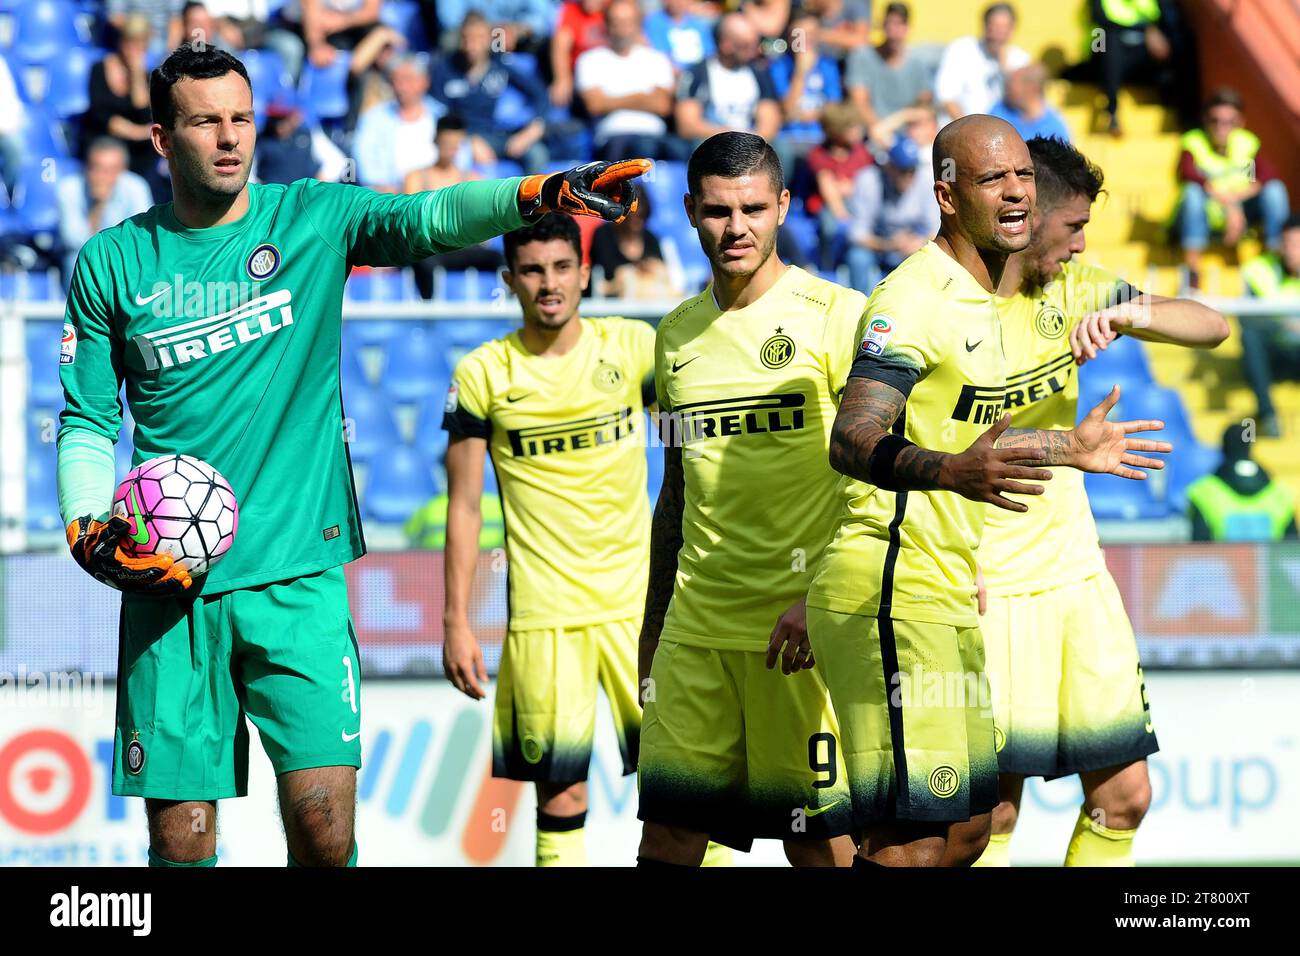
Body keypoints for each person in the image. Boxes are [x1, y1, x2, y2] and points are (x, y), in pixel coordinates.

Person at [56, 41, 648, 868]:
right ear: (161, 139)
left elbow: (427, 218)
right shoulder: (113, 261)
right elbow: (84, 418)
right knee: (181, 843)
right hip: (170, 591)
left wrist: (534, 193)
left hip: (298, 579)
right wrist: (86, 522)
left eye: (241, 118)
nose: (230, 138)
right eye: (204, 122)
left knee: (326, 833)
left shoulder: (311, 217)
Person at [804, 115, 1172, 867]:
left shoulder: (998, 301)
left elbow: (977, 439)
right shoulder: (911, 299)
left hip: (948, 591)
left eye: (1022, 178)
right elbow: (852, 439)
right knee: (906, 844)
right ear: (946, 194)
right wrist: (952, 474)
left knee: (969, 832)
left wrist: (1068, 447)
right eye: (991, 179)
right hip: (892, 589)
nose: (1014, 193)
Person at [968, 135, 1227, 868]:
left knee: (1125, 798)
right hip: (991, 587)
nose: (1083, 244)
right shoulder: (942, 307)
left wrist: (1128, 316)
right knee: (992, 812)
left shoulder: (1077, 287)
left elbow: (1213, 326)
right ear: (1024, 216)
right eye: (1074, 227)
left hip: (1078, 579)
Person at [637, 132, 864, 867]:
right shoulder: (674, 335)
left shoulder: (839, 316)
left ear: (784, 207)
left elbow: (884, 475)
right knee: (668, 839)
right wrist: (653, 624)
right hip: (696, 631)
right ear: (690, 213)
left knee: (817, 846)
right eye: (717, 211)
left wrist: (825, 596)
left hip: (800, 635)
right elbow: (675, 490)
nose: (736, 228)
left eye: (753, 209)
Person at [440, 214, 658, 867]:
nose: (549, 284)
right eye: (533, 271)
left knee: (684, 790)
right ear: (510, 280)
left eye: (562, 267)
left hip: (641, 607)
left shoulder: (632, 347)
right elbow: (464, 505)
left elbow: (695, 460)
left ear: (585, 272)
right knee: (559, 798)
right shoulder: (483, 372)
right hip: (544, 617)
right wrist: (455, 620)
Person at [1175, 88, 1290, 291]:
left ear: (1240, 122)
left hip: (1240, 215)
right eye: (1215, 120)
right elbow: (1188, 174)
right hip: (1206, 215)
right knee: (1191, 194)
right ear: (1205, 120)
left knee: (1275, 191)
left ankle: (1276, 261)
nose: (1221, 127)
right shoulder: (1193, 142)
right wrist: (1229, 204)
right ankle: (1192, 273)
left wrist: (1234, 203)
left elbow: (1265, 176)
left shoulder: (1246, 143)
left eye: (1229, 121)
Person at [430, 12, 551, 172]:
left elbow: (539, 94)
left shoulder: (498, 65)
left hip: (498, 135)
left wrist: (534, 126)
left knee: (537, 154)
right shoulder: (445, 68)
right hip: (463, 140)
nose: (472, 45)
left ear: (489, 39)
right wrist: (467, 139)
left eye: (478, 38)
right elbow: (438, 113)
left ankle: (531, 197)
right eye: (467, 39)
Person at [405, 116, 505, 300]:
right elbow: (414, 224)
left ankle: (506, 308)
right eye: (446, 143)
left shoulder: (474, 179)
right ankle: (429, 314)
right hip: (432, 249)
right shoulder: (416, 177)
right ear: (436, 140)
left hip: (464, 247)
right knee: (423, 262)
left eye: (455, 144)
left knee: (501, 260)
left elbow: (484, 233)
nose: (450, 150)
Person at [575, 0, 684, 162]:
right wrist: (643, 97)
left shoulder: (657, 60)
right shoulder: (590, 60)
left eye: (627, 22)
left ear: (638, 24)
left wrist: (612, 100)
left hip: (656, 135)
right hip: (613, 137)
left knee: (685, 151)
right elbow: (595, 105)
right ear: (606, 24)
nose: (622, 29)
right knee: (643, 148)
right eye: (615, 22)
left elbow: (663, 105)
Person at [86, 14, 170, 202]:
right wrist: (136, 132)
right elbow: (99, 114)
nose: (134, 49)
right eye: (130, 42)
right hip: (105, 137)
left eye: (140, 44)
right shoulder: (99, 69)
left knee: (153, 154)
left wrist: (136, 74)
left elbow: (144, 114)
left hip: (137, 149)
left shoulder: (148, 76)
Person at [845, 135, 938, 293]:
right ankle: (860, 308)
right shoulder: (869, 180)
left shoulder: (925, 180)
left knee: (934, 256)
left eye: (912, 170)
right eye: (903, 170)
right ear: (890, 166)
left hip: (913, 244)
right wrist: (889, 245)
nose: (908, 176)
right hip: (877, 245)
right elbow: (856, 235)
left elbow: (936, 229)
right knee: (857, 257)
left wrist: (919, 243)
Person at [56, 138, 154, 286]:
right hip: (84, 266)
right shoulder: (69, 188)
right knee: (75, 259)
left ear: (123, 170)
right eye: (96, 168)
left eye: (110, 170)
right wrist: (98, 206)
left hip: (125, 266)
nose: (101, 176)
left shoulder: (136, 187)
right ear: (86, 167)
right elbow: (73, 241)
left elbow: (142, 239)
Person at [675, 13, 781, 145]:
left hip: (750, 145)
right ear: (726, 45)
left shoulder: (759, 74)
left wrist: (745, 141)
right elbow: (687, 126)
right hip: (712, 142)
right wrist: (732, 136)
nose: (754, 52)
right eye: (746, 46)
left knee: (780, 150)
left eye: (755, 45)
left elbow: (769, 125)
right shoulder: (697, 72)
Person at [1238, 215, 1300, 438]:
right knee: (1251, 334)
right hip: (1275, 353)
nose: (1293, 251)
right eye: (1289, 244)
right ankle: (1268, 415)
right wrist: (1287, 323)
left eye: (1298, 245)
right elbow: (1252, 318)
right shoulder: (1259, 269)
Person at [1188, 424, 1297, 542]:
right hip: (1270, 560)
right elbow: (1292, 550)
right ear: (1250, 447)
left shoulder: (1202, 491)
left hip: (1223, 560)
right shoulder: (1281, 494)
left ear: (1223, 447)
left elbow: (1199, 550)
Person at [767, 12, 843, 177]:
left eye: (810, 35)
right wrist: (801, 73)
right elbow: (786, 112)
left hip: (820, 137)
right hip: (788, 137)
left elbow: (832, 112)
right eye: (799, 34)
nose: (804, 41)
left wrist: (800, 115)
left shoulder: (828, 66)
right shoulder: (778, 66)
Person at [353, 54, 442, 192]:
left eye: (409, 80)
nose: (403, 87)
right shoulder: (374, 118)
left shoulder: (440, 115)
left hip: (437, 192)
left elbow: (459, 156)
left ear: (425, 81)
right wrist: (381, 186)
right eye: (397, 80)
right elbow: (364, 159)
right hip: (392, 196)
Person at [845, 2, 933, 133]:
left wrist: (905, 119)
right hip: (873, 133)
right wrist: (881, 130)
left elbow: (924, 105)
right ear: (883, 25)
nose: (893, 29)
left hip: (908, 135)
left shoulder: (918, 63)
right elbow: (859, 103)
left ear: (908, 27)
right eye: (889, 23)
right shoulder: (862, 57)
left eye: (899, 24)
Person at [934, 2, 1030, 122]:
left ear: (1012, 30)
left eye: (1004, 28)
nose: (998, 34)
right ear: (984, 26)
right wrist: (968, 129)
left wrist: (1005, 72)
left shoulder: (1020, 59)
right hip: (960, 129)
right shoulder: (961, 49)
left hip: (1003, 134)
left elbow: (1027, 106)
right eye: (994, 26)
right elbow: (946, 97)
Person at [805, 102, 871, 272]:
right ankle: (828, 267)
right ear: (837, 130)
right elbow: (827, 187)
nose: (858, 131)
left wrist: (847, 187)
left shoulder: (861, 152)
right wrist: (843, 216)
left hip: (858, 202)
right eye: (852, 127)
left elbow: (865, 184)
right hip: (829, 207)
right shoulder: (818, 154)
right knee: (829, 225)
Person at [589, 191, 675, 299]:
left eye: (641, 216)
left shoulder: (650, 238)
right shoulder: (604, 235)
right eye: (632, 216)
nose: (636, 221)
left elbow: (661, 270)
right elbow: (604, 276)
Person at [253, 95, 350, 185]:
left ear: (295, 117)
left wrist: (316, 186)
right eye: (275, 119)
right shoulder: (260, 141)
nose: (279, 125)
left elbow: (337, 162)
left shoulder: (308, 135)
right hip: (274, 199)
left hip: (306, 198)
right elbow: (250, 175)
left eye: (284, 119)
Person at [989, 63, 1071, 143]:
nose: (1007, 88)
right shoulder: (999, 110)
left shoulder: (1055, 130)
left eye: (1012, 83)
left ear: (1032, 88)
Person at [550, 0, 609, 109]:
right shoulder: (573, 10)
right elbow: (561, 43)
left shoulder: (614, 9)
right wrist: (562, 78)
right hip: (579, 77)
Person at [644, 0, 717, 75]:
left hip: (698, 74)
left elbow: (709, 53)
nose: (678, 2)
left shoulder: (699, 24)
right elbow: (657, 51)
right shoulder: (654, 22)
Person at [800, 0, 871, 62]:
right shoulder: (810, 11)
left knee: (861, 53)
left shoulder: (854, 4)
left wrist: (821, 34)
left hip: (849, 64)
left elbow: (861, 40)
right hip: (822, 63)